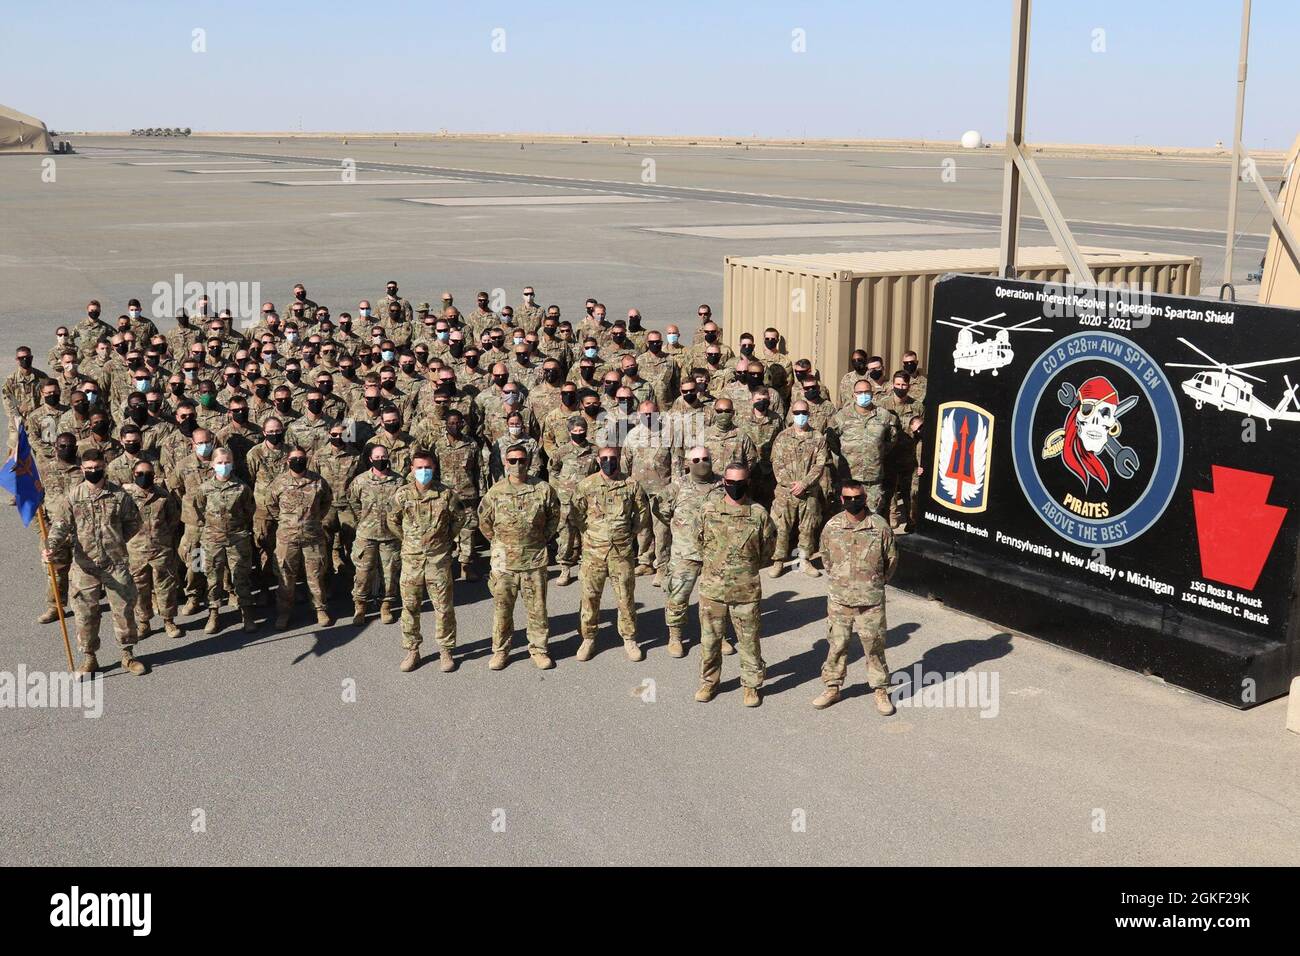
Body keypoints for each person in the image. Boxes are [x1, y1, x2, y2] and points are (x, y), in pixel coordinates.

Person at [43, 449, 146, 676]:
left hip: (115, 563)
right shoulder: (73, 496)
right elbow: (61, 526)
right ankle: (90, 658)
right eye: (88, 468)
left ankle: (127, 655)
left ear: (104, 467)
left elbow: (133, 524)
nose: (92, 472)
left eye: (96, 468)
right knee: (85, 613)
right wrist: (51, 547)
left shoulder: (119, 496)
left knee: (124, 610)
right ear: (82, 469)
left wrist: (115, 542)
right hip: (84, 565)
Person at [689, 462, 775, 706]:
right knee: (710, 641)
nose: (735, 487)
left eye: (740, 483)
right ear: (723, 482)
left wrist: (743, 567)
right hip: (712, 589)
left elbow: (767, 550)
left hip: (745, 590)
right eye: (730, 482)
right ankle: (709, 682)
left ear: (748, 483)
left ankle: (751, 686)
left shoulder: (758, 514)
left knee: (749, 641)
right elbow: (698, 541)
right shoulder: (708, 510)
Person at [815, 482, 898, 715]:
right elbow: (826, 559)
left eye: (858, 497)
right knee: (837, 645)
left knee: (874, 646)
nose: (853, 502)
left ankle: (880, 690)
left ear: (865, 497)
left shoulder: (879, 526)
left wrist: (873, 583)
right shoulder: (832, 527)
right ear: (842, 500)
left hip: (870, 600)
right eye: (848, 498)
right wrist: (842, 582)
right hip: (840, 599)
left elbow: (890, 560)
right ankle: (832, 687)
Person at [478, 445, 561, 670]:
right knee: (502, 608)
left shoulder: (543, 489)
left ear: (528, 461)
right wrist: (498, 544)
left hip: (534, 558)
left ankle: (539, 649)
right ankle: (501, 650)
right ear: (506, 462)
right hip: (504, 561)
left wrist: (541, 539)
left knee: (537, 609)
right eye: (512, 461)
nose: (517, 465)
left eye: (521, 460)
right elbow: (484, 522)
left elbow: (554, 516)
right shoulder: (495, 492)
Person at [571, 446, 651, 662]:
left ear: (619, 460)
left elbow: (642, 514)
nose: (609, 462)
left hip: (621, 552)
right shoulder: (586, 485)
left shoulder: (631, 484)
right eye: (604, 458)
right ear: (598, 460)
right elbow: (576, 514)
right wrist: (591, 534)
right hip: (593, 552)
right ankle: (588, 638)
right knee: (590, 597)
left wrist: (627, 534)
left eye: (613, 458)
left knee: (625, 596)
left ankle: (629, 638)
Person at [389, 450, 465, 672]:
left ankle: (446, 650)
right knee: (410, 607)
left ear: (434, 468)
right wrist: (408, 541)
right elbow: (392, 520)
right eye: (419, 467)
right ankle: (412, 650)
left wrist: (444, 540)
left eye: (427, 467)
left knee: (443, 607)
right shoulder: (402, 495)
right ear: (411, 469)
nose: (423, 471)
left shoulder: (447, 494)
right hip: (411, 560)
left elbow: (459, 518)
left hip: (438, 560)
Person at [656, 445, 719, 658]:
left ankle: (715, 637)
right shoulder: (677, 487)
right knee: (678, 597)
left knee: (715, 600)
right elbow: (661, 511)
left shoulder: (722, 484)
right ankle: (675, 636)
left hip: (714, 554)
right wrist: (682, 530)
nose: (701, 463)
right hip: (685, 553)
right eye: (696, 460)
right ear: (687, 464)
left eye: (705, 458)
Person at [191, 448, 259, 634]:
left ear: (233, 464)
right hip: (212, 540)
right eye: (220, 463)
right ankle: (213, 614)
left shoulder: (242, 488)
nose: (224, 466)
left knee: (241, 576)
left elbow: (249, 511)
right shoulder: (204, 489)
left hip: (238, 538)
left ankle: (247, 613)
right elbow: (199, 510)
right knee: (213, 578)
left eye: (227, 462)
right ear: (212, 465)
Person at [266, 446, 333, 629]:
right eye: (294, 458)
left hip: (313, 536)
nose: (298, 461)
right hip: (287, 538)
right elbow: (271, 505)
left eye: (301, 458)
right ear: (288, 461)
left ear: (307, 459)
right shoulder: (279, 483)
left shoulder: (318, 481)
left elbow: (327, 501)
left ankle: (320, 609)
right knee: (285, 576)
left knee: (316, 574)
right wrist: (287, 522)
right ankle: (284, 613)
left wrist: (314, 519)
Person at [768, 401, 829, 577]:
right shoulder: (782, 437)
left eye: (804, 412)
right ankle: (778, 561)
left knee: (808, 527)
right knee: (781, 527)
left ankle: (804, 560)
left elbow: (820, 464)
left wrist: (804, 483)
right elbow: (777, 464)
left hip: (809, 492)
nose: (800, 415)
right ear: (792, 414)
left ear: (809, 414)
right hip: (785, 493)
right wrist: (791, 485)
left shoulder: (818, 437)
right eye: (797, 412)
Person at [124, 459, 184, 640]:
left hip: (161, 549)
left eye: (148, 473)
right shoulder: (125, 497)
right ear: (133, 475)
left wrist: (163, 539)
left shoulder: (163, 496)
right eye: (140, 474)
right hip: (136, 551)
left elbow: (173, 520)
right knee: (139, 589)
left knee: (165, 587)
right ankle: (144, 622)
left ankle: (169, 620)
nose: (144, 477)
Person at [348, 444, 402, 625]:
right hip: (367, 535)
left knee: (390, 573)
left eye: (384, 456)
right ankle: (360, 606)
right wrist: (362, 522)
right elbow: (353, 503)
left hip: (390, 536)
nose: (381, 460)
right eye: (377, 457)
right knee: (363, 574)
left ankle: (386, 606)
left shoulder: (399, 482)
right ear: (370, 459)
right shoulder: (360, 481)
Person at [830, 379, 901, 514]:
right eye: (860, 392)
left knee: (873, 517)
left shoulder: (884, 416)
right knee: (848, 516)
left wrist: (877, 452)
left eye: (867, 392)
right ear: (853, 395)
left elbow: (892, 439)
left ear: (872, 393)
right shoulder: (841, 416)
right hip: (849, 477)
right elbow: (832, 440)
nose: (863, 395)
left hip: (873, 479)